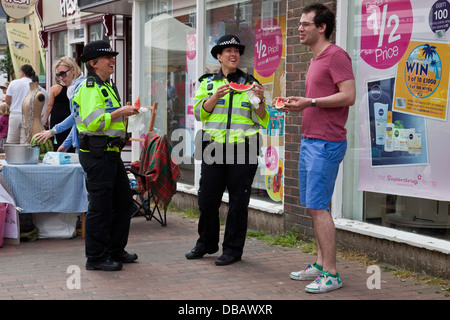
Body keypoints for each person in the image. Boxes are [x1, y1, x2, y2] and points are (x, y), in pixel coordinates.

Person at [277, 4, 355, 293]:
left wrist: (309, 102)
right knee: (313, 207)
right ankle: (321, 265)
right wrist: (298, 104)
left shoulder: (336, 56)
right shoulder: (315, 59)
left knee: (320, 208)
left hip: (326, 142)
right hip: (311, 139)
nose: (299, 28)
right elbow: (320, 99)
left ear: (321, 27)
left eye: (305, 24)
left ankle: (332, 274)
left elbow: (348, 96)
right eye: (299, 23)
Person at [185, 34, 269, 266]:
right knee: (207, 200)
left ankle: (232, 250)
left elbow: (262, 120)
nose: (233, 54)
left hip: (244, 149)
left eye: (237, 51)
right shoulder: (207, 83)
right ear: (219, 57)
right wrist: (214, 97)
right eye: (228, 51)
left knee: (238, 203)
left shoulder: (252, 84)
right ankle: (206, 243)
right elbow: (200, 114)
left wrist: (261, 102)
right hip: (213, 148)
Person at [73, 40, 139, 271]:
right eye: (108, 57)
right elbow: (93, 122)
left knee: (122, 202)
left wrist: (123, 115)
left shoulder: (106, 85)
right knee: (100, 207)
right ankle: (96, 257)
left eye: (113, 56)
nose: (113, 60)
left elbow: (108, 117)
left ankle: (115, 250)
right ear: (93, 63)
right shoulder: (91, 87)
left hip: (110, 152)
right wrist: (121, 111)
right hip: (97, 153)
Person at [35, 57, 84, 152]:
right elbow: (77, 121)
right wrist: (66, 144)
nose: (61, 78)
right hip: (82, 139)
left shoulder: (79, 87)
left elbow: (76, 117)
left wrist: (53, 131)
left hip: (87, 142)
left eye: (63, 73)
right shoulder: (74, 88)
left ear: (73, 70)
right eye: (58, 75)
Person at [5, 64, 38, 144]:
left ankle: (12, 156)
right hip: (28, 115)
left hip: (15, 114)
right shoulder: (34, 85)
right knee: (24, 142)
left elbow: (7, 100)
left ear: (22, 73)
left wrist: (13, 105)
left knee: (12, 141)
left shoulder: (13, 83)